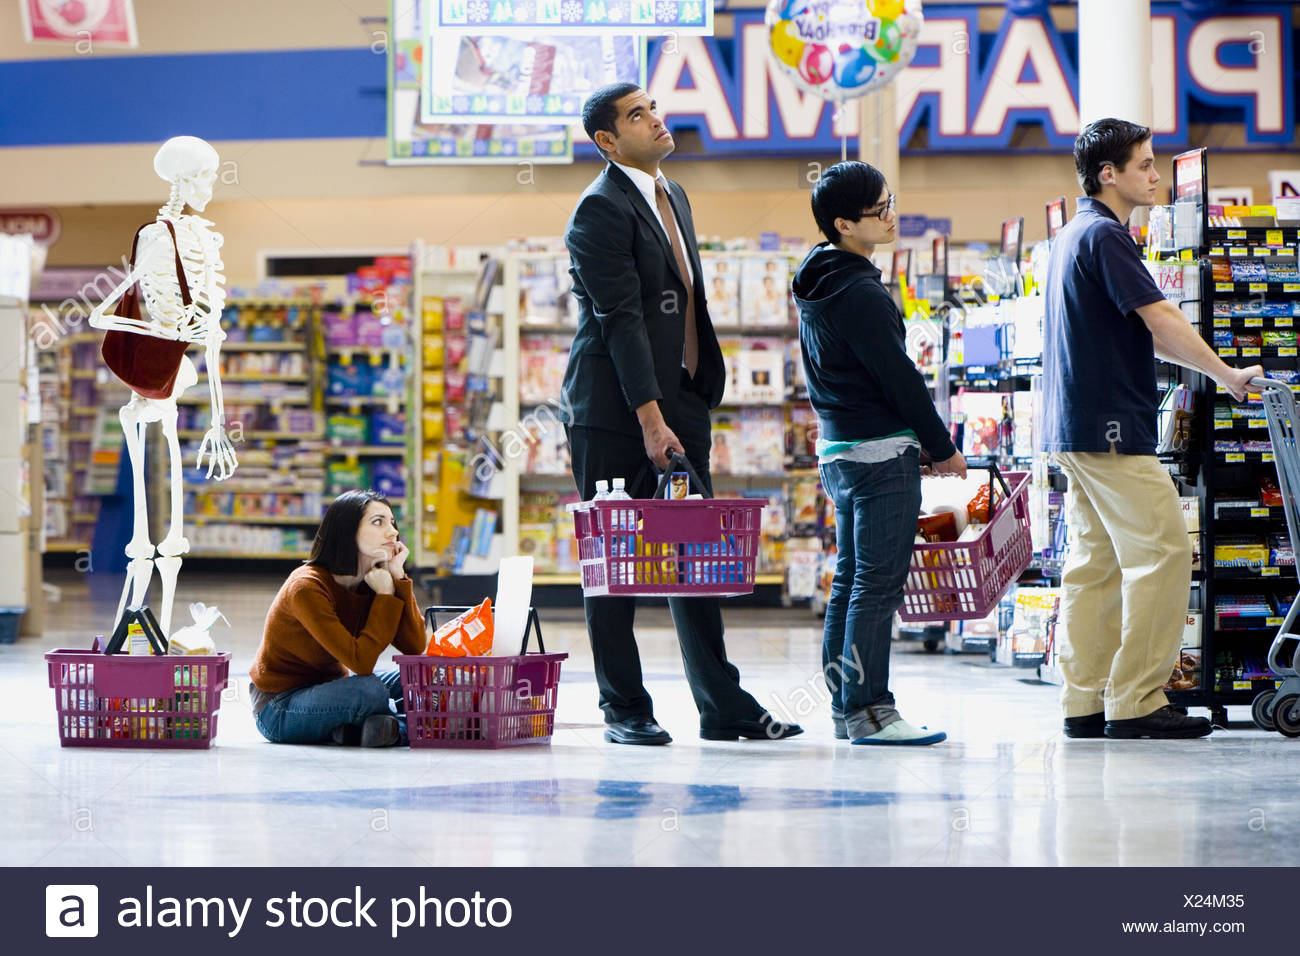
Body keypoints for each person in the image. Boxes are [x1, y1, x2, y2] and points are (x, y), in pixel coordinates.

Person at [561, 82, 803, 745]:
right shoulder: (597, 211)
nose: (656, 119)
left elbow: (683, 306)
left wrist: (687, 398)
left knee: (696, 560)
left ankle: (724, 709)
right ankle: (625, 710)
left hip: (684, 399)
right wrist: (649, 416)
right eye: (637, 115)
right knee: (614, 566)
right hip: (616, 411)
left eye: (654, 108)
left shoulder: (675, 195)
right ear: (607, 141)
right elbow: (620, 322)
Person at [1043, 118, 1261, 740]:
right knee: (1165, 551)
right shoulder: (1108, 237)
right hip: (1110, 428)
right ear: (1107, 174)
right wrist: (1224, 374)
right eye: (1144, 164)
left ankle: (1082, 699)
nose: (1156, 175)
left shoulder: (1071, 233)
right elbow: (1161, 319)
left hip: (1073, 426)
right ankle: (1137, 699)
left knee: (1096, 564)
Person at [792, 161, 966, 746]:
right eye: (880, 210)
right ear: (844, 223)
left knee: (852, 580)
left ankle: (848, 705)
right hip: (880, 451)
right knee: (878, 585)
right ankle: (871, 710)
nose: (892, 217)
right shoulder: (860, 289)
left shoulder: (819, 280)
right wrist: (942, 449)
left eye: (891, 202)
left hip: (839, 449)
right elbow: (899, 379)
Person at [248, 490, 427, 747]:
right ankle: (400, 728)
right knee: (370, 691)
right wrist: (386, 595)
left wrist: (398, 579)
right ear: (347, 531)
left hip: (333, 689)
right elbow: (361, 663)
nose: (392, 532)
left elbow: (414, 645)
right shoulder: (307, 586)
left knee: (421, 676)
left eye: (392, 522)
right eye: (378, 522)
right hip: (280, 706)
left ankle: (355, 729)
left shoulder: (372, 579)